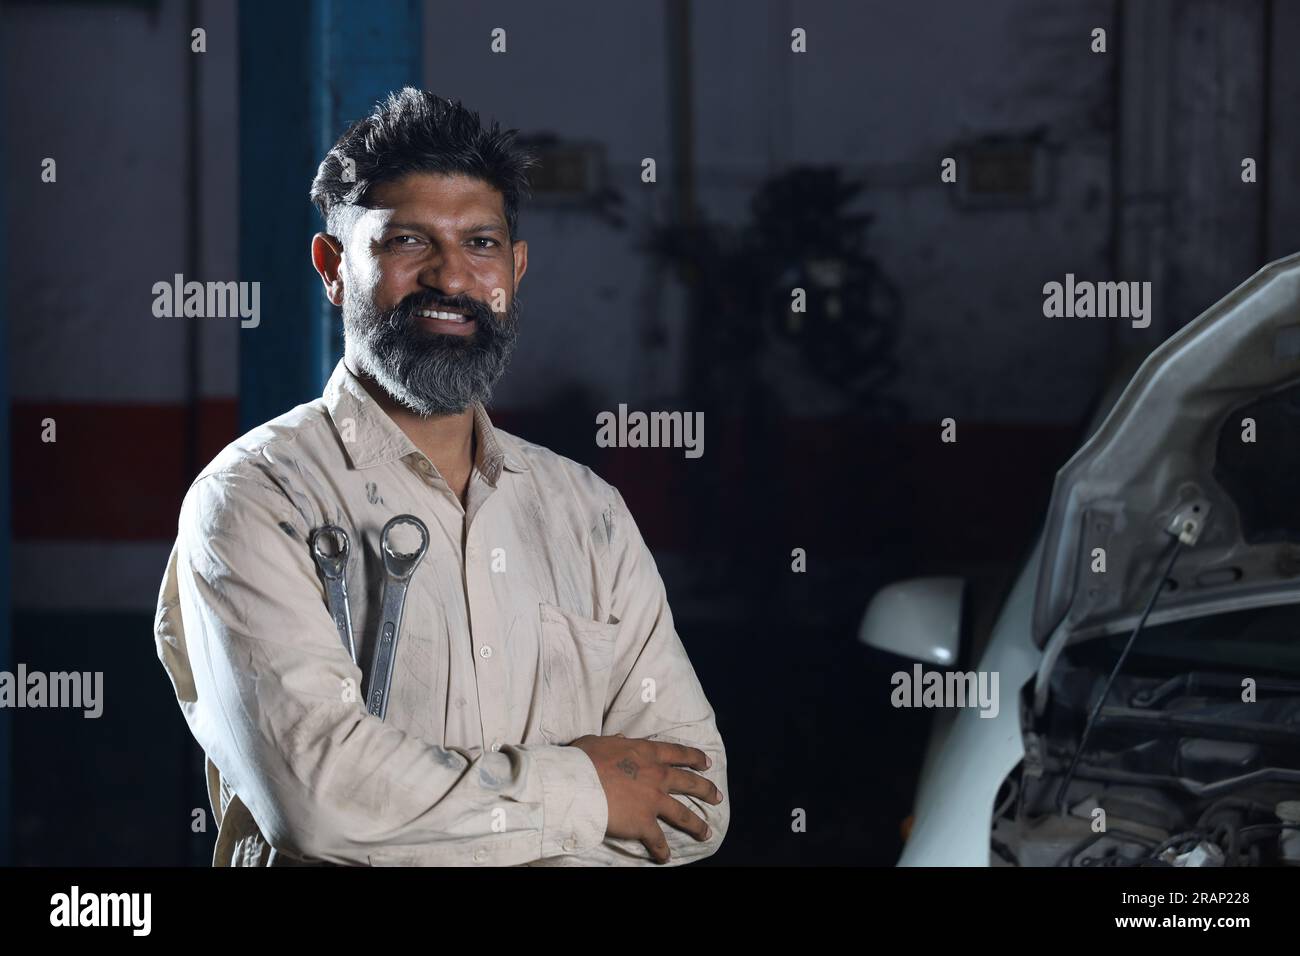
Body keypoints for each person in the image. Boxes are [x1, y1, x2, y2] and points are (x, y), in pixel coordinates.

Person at [153, 88, 728, 866]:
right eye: (407, 243)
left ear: (515, 270)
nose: (452, 279)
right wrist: (587, 792)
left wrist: (438, 825)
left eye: (481, 243)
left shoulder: (587, 512)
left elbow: (694, 801)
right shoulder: (255, 500)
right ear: (332, 268)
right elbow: (320, 804)